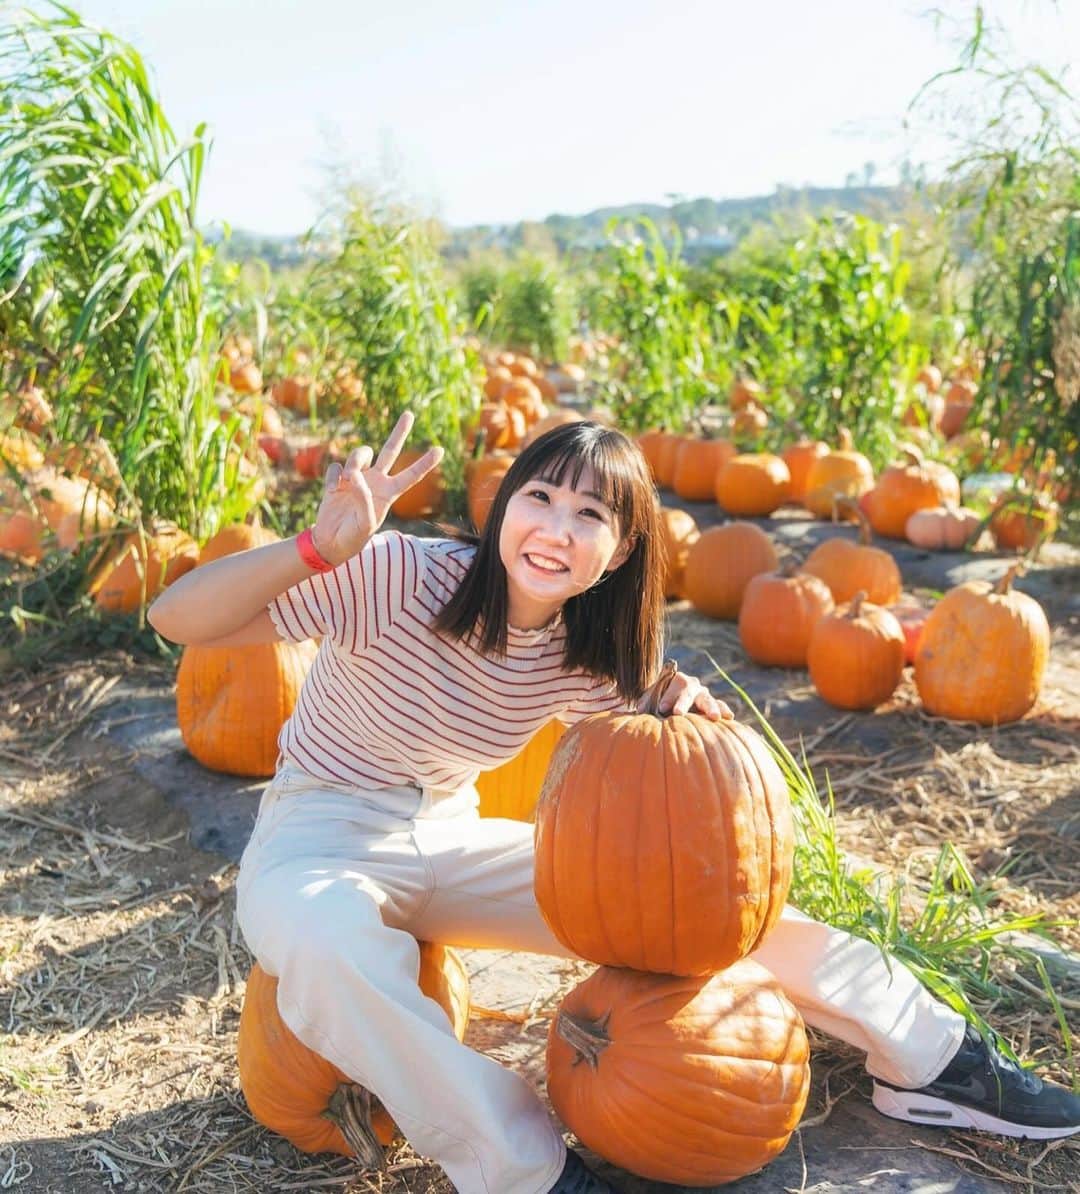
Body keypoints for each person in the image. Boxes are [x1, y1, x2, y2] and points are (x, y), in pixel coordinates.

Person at [149, 415, 1079, 1194]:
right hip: (320, 834)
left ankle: (931, 1056)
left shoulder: (586, 655)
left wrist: (679, 711)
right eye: (539, 498)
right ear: (503, 508)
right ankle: (528, 1170)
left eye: (588, 514)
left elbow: (664, 784)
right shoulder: (397, 574)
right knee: (325, 951)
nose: (556, 528)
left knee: (694, 905)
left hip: (449, 833)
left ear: (621, 550)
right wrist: (319, 548)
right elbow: (174, 618)